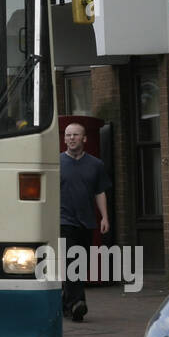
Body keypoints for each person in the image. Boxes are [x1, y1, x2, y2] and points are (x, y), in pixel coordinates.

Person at [60, 122, 110, 322]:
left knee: (80, 264)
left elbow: (100, 192)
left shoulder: (96, 165)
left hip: (86, 221)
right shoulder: (56, 163)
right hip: (62, 220)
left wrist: (104, 217)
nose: (71, 138)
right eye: (68, 135)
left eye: (75, 135)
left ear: (84, 139)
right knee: (72, 261)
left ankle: (65, 303)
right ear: (64, 139)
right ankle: (78, 304)